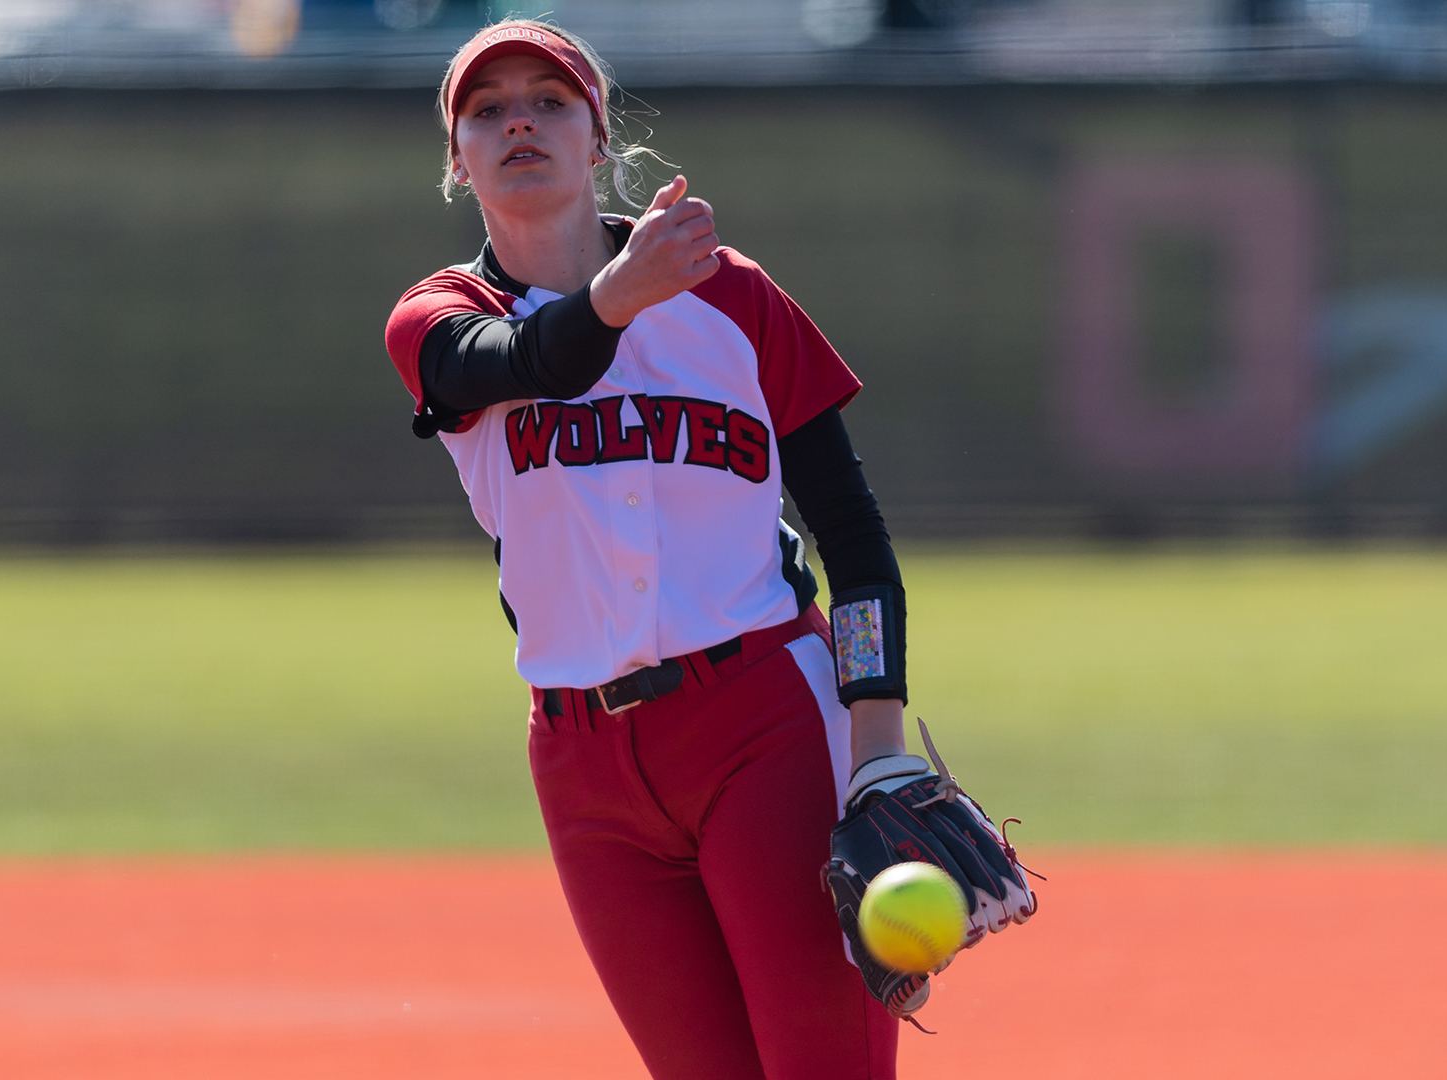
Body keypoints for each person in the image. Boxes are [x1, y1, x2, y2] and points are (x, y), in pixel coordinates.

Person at [383, 20, 1034, 1079]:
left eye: (548, 101)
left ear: (597, 139)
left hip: (766, 728)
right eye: (486, 108)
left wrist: (877, 740)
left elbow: (852, 533)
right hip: (584, 765)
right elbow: (515, 361)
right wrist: (617, 296)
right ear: (456, 160)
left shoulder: (731, 298)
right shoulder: (441, 318)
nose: (517, 121)